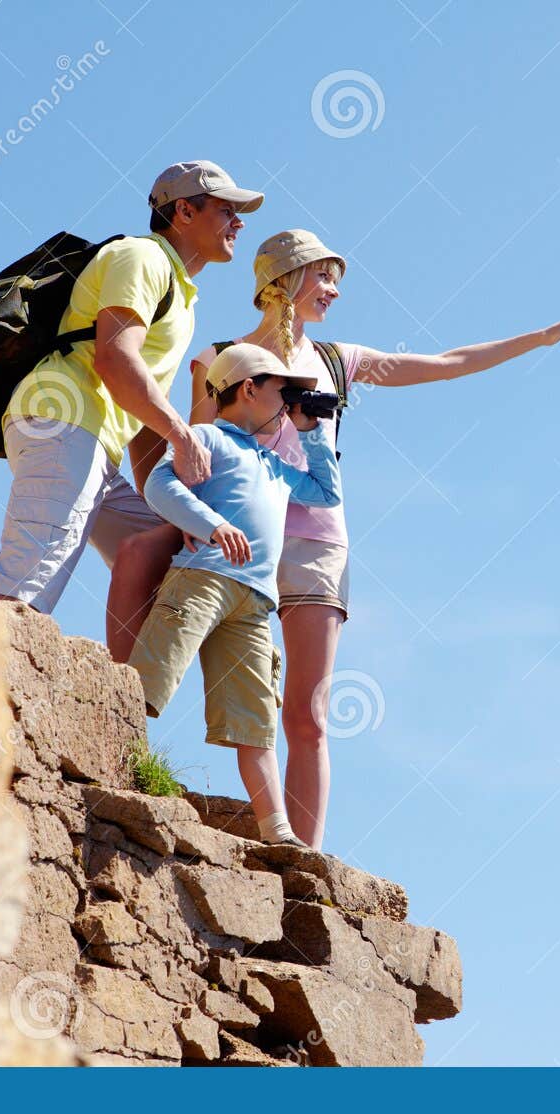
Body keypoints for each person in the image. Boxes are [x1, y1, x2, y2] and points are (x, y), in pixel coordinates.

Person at [110, 227, 560, 849]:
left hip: (316, 544)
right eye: (324, 277)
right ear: (283, 281)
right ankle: (116, 737)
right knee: (152, 586)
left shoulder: (338, 361)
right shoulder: (222, 361)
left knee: (308, 715)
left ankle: (302, 861)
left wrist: (541, 335)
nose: (335, 292)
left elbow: (445, 364)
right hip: (235, 539)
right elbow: (193, 454)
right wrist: (192, 524)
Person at [0, 160, 264, 635]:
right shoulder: (143, 258)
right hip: (66, 422)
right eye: (226, 210)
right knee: (25, 586)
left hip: (96, 445)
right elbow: (116, 361)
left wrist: (173, 506)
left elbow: (142, 413)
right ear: (184, 211)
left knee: (176, 554)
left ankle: (128, 692)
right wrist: (182, 434)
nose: (239, 222)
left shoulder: (181, 292)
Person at [128, 343, 342, 847]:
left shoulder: (272, 463)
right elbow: (160, 487)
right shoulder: (207, 439)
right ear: (249, 388)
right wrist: (212, 523)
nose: (289, 403)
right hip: (202, 577)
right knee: (153, 676)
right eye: (281, 392)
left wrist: (310, 432)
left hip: (254, 602)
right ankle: (113, 756)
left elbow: (326, 494)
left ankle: (278, 831)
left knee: (255, 718)